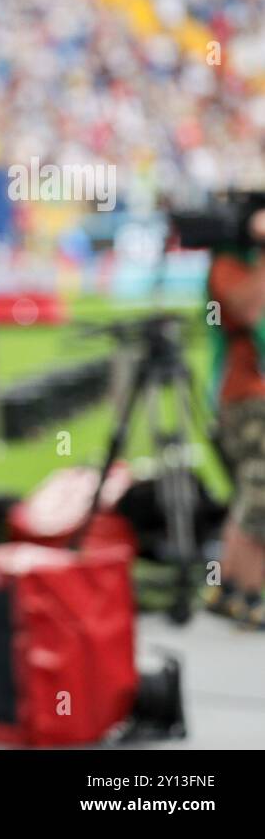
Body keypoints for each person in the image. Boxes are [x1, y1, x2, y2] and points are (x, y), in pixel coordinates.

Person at [204, 210, 265, 629]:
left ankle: (227, 588)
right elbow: (246, 307)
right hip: (244, 398)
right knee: (259, 495)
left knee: (250, 491)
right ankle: (251, 595)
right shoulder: (227, 266)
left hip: (250, 395)